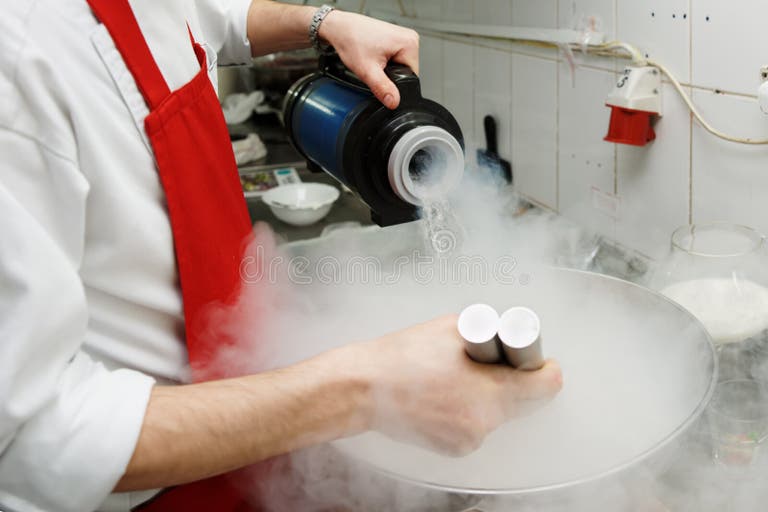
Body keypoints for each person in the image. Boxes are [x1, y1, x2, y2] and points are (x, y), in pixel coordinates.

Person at [0, 1, 563, 511]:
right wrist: (366, 387)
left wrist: (322, 23)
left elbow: (212, 16)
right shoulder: (20, 50)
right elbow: (28, 438)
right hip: (142, 492)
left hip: (246, 420)